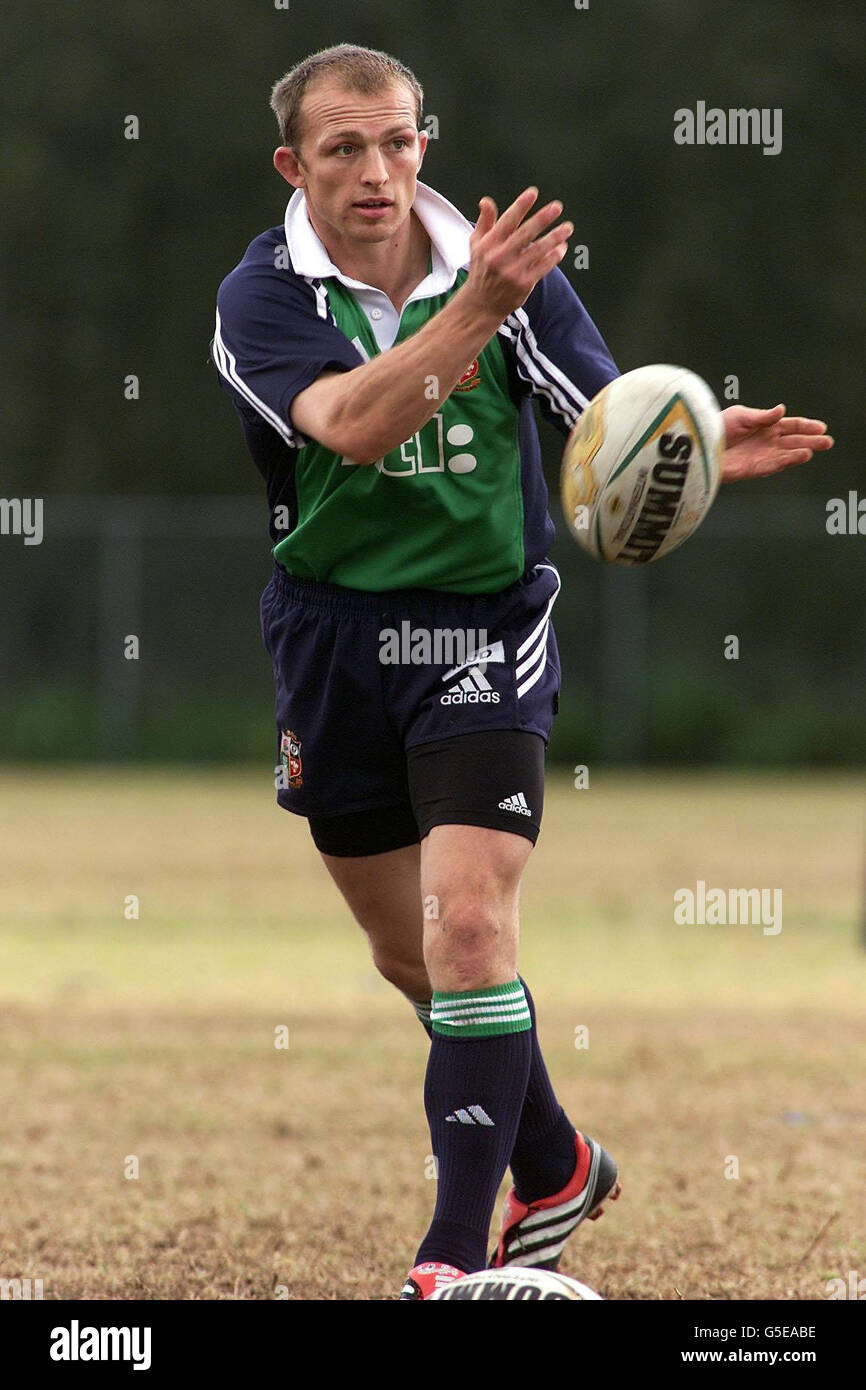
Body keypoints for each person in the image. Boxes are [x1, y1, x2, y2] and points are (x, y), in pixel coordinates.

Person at [210, 43, 833, 1300]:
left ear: (421, 142)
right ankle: (555, 1162)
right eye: (344, 148)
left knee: (472, 928)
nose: (377, 170)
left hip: (485, 630)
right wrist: (477, 308)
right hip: (332, 641)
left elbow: (597, 414)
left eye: (396, 140)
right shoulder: (262, 295)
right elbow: (354, 427)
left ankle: (445, 1260)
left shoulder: (504, 277)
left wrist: (689, 442)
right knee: (413, 962)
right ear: (295, 166)